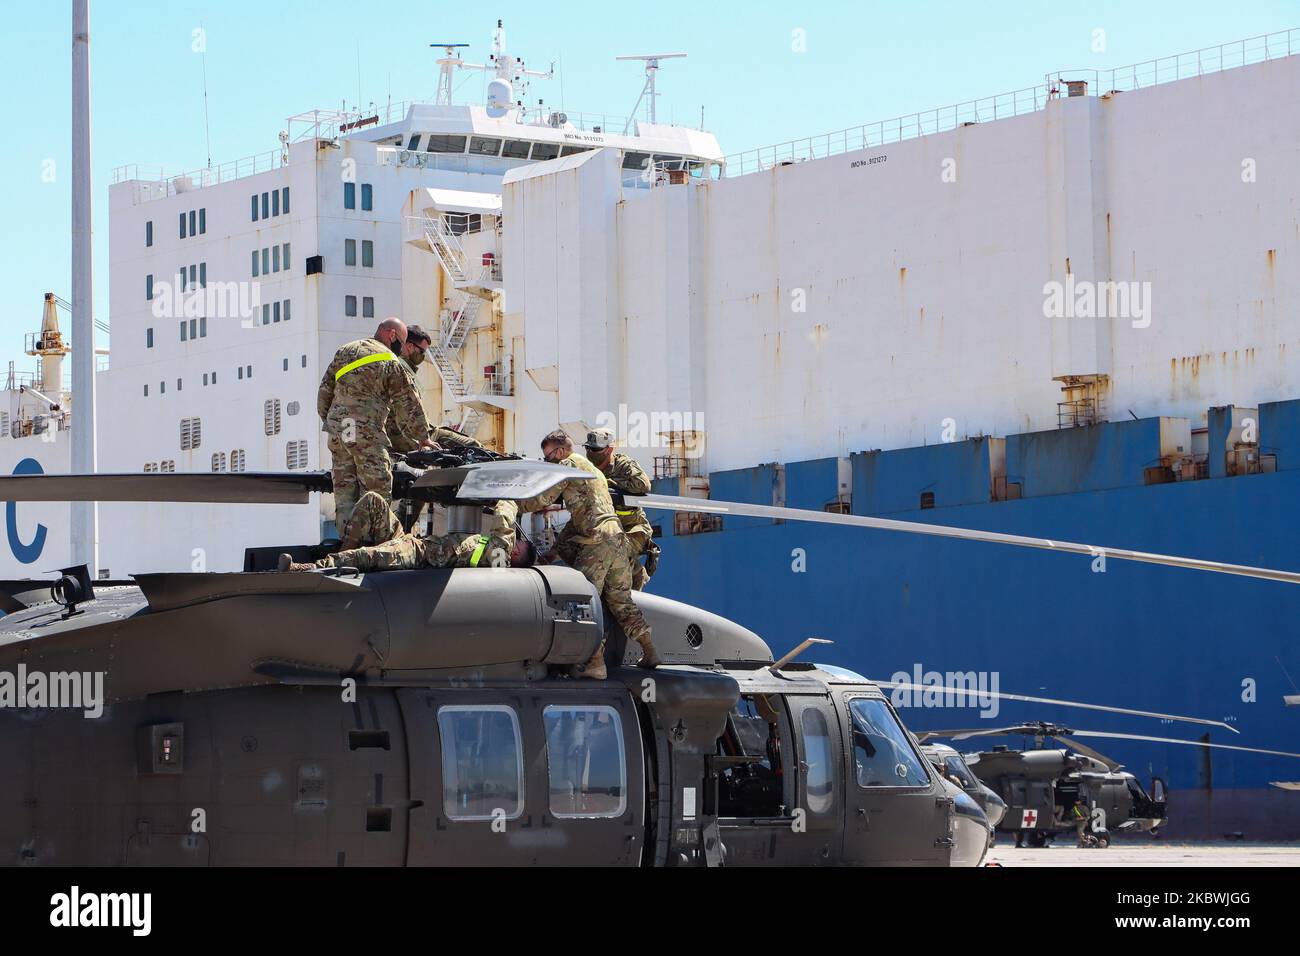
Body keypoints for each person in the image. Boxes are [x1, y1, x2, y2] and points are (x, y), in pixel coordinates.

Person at [519, 429, 660, 678]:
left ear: (561, 451)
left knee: (584, 601)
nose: (549, 461)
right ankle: (650, 650)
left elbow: (542, 500)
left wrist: (511, 501)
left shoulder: (567, 466)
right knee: (620, 600)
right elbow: (580, 519)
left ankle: (596, 664)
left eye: (549, 456)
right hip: (618, 540)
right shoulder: (593, 471)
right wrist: (553, 553)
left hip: (597, 542)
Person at [318, 318, 431, 540]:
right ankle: (374, 544)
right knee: (376, 489)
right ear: (391, 335)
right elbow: (407, 402)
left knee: (344, 493)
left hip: (338, 433)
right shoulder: (389, 360)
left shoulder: (345, 351)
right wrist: (423, 438)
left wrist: (332, 421)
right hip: (366, 434)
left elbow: (324, 392)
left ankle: (347, 541)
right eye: (401, 341)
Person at [280, 492, 529, 571]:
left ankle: (313, 568)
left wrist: (508, 494)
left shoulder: (500, 558)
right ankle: (346, 555)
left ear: (517, 554)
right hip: (417, 544)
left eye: (519, 544)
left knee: (374, 555)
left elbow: (505, 519)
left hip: (422, 556)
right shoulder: (492, 549)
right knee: (373, 501)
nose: (515, 542)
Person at [579, 427, 659, 589]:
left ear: (609, 449)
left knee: (612, 551)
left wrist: (611, 485)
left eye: (595, 449)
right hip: (604, 527)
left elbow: (643, 485)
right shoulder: (586, 469)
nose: (590, 452)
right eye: (588, 448)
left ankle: (636, 576)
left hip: (633, 529)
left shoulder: (622, 465)